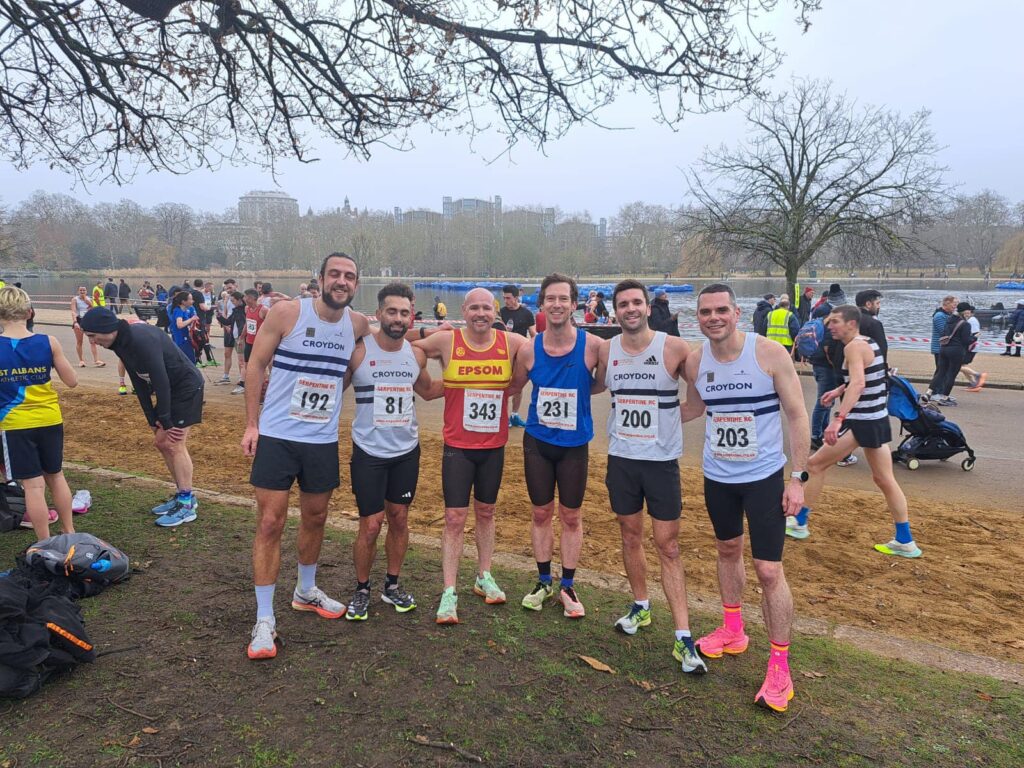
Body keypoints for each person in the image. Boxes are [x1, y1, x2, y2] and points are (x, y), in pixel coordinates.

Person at [681, 283, 810, 713]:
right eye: (705, 312)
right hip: (718, 476)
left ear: (736, 313)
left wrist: (798, 479)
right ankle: (733, 630)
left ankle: (780, 665)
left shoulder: (770, 354)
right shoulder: (698, 361)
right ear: (697, 317)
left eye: (721, 310)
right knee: (727, 549)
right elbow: (693, 409)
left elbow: (796, 415)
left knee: (769, 570)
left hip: (763, 478)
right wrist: (639, 404)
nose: (713, 318)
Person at [241, 253, 370, 660]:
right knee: (270, 522)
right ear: (320, 279)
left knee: (316, 518)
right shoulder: (286, 313)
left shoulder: (357, 324)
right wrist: (251, 424)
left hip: (321, 440)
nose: (341, 282)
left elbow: (377, 353)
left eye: (349, 277)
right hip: (278, 436)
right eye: (335, 274)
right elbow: (256, 365)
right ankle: (264, 619)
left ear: (356, 285)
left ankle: (305, 590)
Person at [592, 280, 706, 675]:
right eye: (623, 304)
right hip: (622, 459)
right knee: (629, 534)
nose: (630, 309)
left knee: (668, 545)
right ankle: (640, 605)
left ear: (647, 306)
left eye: (636, 302)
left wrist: (673, 419)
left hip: (661, 463)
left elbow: (701, 393)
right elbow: (598, 384)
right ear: (615, 310)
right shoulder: (608, 350)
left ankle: (683, 634)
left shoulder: (673, 347)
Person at [415, 288, 528, 625]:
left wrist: (515, 384)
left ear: (494, 311)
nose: (481, 313)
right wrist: (430, 386)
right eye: (474, 308)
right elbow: (414, 350)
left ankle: (484, 575)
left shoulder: (510, 343)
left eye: (486, 308)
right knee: (454, 518)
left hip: (493, 447)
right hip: (458, 447)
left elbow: (542, 352)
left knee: (487, 511)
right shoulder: (448, 340)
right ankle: (449, 591)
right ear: (463, 310)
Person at [342, 283, 442, 620]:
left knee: (399, 518)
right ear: (379, 313)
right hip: (369, 451)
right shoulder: (358, 351)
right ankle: (361, 588)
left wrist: (475, 381)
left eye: (404, 313)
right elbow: (331, 384)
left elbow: (428, 391)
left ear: (410, 315)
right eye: (392, 311)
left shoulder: (414, 354)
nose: (398, 318)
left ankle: (392, 586)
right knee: (371, 524)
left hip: (406, 450)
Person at [790, 304, 922, 558]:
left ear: (851, 323)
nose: (830, 326)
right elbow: (871, 376)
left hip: (863, 420)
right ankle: (905, 540)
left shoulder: (853, 347)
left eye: (835, 321)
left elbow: (860, 383)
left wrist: (838, 419)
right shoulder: (867, 343)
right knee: (884, 479)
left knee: (815, 465)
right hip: (876, 418)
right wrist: (839, 390)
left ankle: (799, 522)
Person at [509, 274, 602, 619]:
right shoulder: (528, 348)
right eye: (551, 299)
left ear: (574, 304)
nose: (557, 304)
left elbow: (602, 383)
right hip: (538, 441)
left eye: (564, 299)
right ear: (542, 305)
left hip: (575, 442)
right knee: (540, 513)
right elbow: (515, 385)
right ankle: (544, 580)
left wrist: (574, 396)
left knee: (572, 516)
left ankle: (568, 585)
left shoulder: (592, 346)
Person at [80, 307, 204, 527]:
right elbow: (137, 381)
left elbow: (161, 379)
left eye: (92, 336)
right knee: (162, 443)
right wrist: (151, 417)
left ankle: (186, 504)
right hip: (168, 390)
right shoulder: (120, 342)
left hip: (185, 388)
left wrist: (165, 419)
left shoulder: (140, 338)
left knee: (174, 444)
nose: (92, 341)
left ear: (105, 328)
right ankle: (182, 495)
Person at [0, 287, 78, 540]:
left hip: (14, 424)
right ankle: (69, 532)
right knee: (56, 476)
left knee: (33, 486)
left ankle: (44, 542)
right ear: (30, 312)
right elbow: (72, 381)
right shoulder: (49, 341)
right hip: (49, 419)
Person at [809, 284, 856, 467]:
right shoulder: (829, 315)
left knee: (826, 401)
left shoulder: (821, 309)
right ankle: (816, 436)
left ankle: (820, 433)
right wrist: (835, 365)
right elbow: (828, 345)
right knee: (824, 401)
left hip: (818, 362)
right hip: (825, 365)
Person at [923, 302, 974, 407]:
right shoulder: (965, 324)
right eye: (968, 313)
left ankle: (928, 393)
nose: (970, 315)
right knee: (951, 374)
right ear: (965, 313)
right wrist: (975, 337)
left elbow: (943, 333)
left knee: (940, 372)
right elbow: (966, 340)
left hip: (944, 349)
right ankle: (945, 398)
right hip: (956, 351)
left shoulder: (948, 321)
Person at [500, 285, 536, 428]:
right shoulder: (500, 312)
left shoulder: (526, 313)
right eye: (504, 298)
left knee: (518, 386)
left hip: (520, 355)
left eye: (508, 298)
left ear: (516, 298)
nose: (506, 301)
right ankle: (501, 414)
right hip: (502, 354)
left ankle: (514, 415)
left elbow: (533, 334)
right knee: (502, 384)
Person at [235, 289, 266, 395]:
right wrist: (241, 337)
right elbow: (247, 324)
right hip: (249, 341)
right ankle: (249, 386)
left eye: (246, 297)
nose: (244, 299)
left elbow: (272, 325)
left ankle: (263, 389)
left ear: (252, 298)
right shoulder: (246, 308)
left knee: (261, 366)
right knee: (247, 365)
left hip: (260, 343)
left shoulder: (264, 310)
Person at [70, 286, 104, 367]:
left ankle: (96, 360)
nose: (82, 291)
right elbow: (73, 311)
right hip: (79, 320)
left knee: (93, 341)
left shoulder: (89, 299)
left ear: (86, 291)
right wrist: (75, 322)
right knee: (79, 341)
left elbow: (92, 309)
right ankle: (81, 361)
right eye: (81, 290)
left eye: (84, 290)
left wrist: (87, 301)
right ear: (78, 291)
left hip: (88, 321)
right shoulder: (75, 299)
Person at [958, 307, 987, 392]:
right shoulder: (970, 320)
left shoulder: (972, 321)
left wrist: (969, 344)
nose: (966, 315)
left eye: (968, 313)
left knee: (958, 366)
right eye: (965, 313)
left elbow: (976, 334)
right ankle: (974, 384)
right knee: (963, 366)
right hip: (971, 346)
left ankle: (978, 376)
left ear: (972, 313)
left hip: (971, 347)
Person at [854, 290, 888, 363]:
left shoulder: (849, 319)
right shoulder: (874, 324)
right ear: (868, 304)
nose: (879, 306)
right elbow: (881, 349)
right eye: (877, 303)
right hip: (870, 365)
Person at [169, 291, 200, 364]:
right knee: (188, 361)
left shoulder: (184, 310)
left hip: (186, 338)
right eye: (190, 299)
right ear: (183, 301)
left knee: (190, 360)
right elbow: (179, 325)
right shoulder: (178, 311)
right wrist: (191, 319)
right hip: (181, 339)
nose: (193, 301)